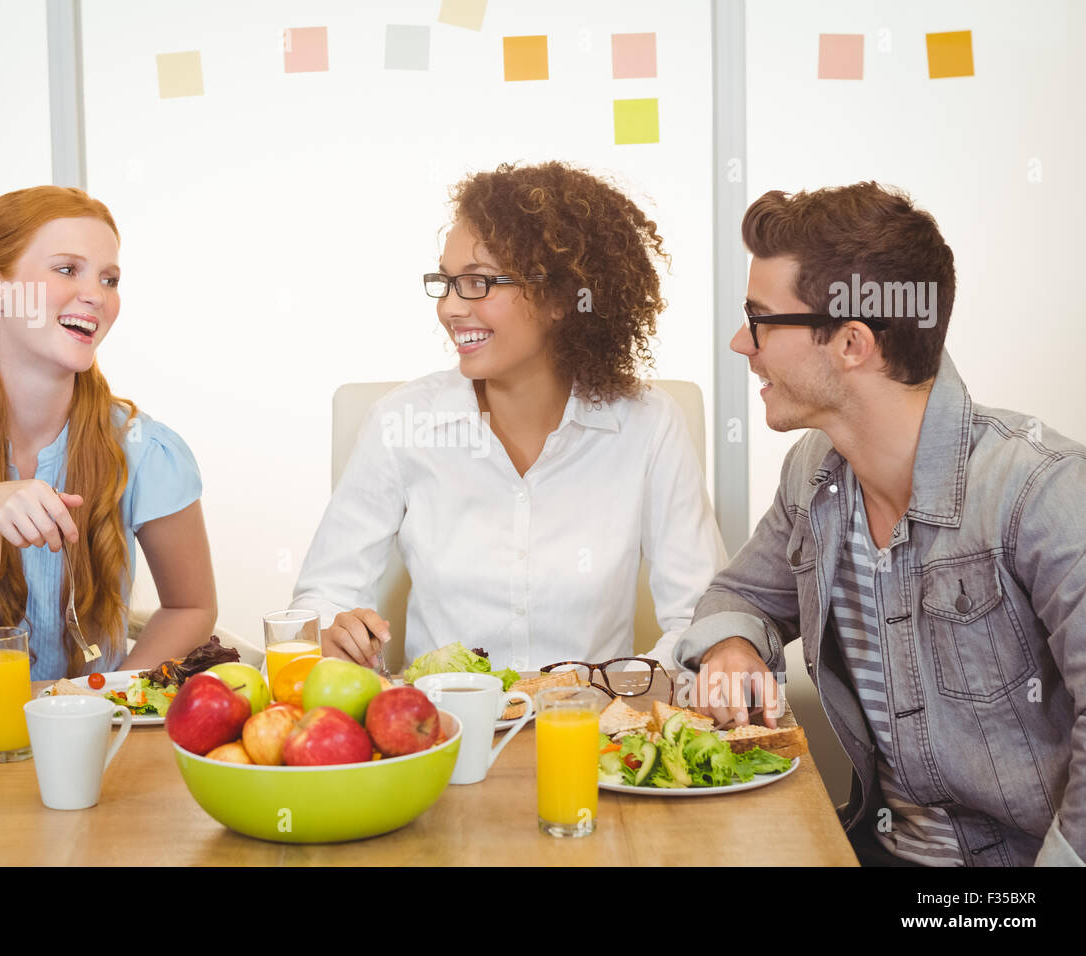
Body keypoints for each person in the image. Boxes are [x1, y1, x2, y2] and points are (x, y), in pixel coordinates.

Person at [673, 181, 1084, 866]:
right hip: (878, 847)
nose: (743, 343)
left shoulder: (1040, 491)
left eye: (762, 321)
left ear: (852, 343)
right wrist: (734, 650)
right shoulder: (815, 476)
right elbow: (740, 598)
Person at [292, 161, 727, 678]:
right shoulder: (400, 424)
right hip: (442, 733)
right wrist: (332, 631)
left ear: (561, 298)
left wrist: (616, 693)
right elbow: (320, 600)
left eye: (478, 283)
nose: (451, 308)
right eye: (446, 283)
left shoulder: (649, 426)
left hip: (590, 734)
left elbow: (701, 620)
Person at [0, 186, 218, 704]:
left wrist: (110, 699)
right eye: (67, 269)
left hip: (84, 735)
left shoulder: (143, 448)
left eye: (109, 278)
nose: (96, 294)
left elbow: (191, 607)